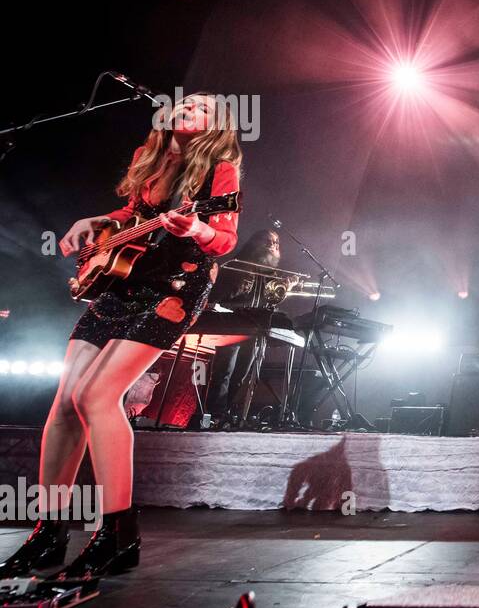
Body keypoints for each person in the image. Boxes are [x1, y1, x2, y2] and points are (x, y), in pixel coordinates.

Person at [0, 93, 242, 579]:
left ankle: (116, 535)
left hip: (176, 285)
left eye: (201, 109)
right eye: (184, 103)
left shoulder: (220, 168)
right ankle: (49, 533)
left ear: (217, 125)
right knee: (66, 400)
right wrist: (97, 222)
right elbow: (133, 214)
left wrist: (195, 228)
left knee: (97, 395)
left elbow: (225, 239)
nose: (186, 109)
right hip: (125, 281)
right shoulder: (149, 157)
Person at [206, 229, 282, 429]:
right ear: (255, 243)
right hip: (230, 324)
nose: (273, 246)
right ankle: (213, 415)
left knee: (241, 375)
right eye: (268, 241)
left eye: (276, 243)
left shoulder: (271, 275)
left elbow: (270, 304)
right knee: (224, 371)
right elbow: (217, 297)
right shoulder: (238, 266)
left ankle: (227, 416)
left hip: (254, 329)